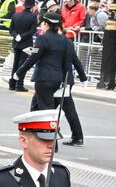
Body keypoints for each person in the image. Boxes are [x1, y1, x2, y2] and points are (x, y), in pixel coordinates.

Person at [16, 12, 87, 145]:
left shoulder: (42, 39)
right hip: (64, 81)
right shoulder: (66, 40)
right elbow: (75, 60)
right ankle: (77, 137)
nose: (41, 26)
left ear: (47, 24)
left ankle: (50, 141)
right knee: (65, 108)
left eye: (42, 23)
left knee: (47, 111)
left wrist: (19, 72)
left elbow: (33, 58)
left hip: (45, 80)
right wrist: (83, 77)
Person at [9, 0, 36, 91]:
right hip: (26, 44)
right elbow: (32, 31)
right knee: (22, 65)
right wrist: (22, 36)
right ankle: (19, 85)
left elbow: (11, 29)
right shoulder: (33, 16)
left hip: (16, 43)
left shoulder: (16, 15)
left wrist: (16, 36)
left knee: (15, 64)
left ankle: (12, 84)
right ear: (33, 5)